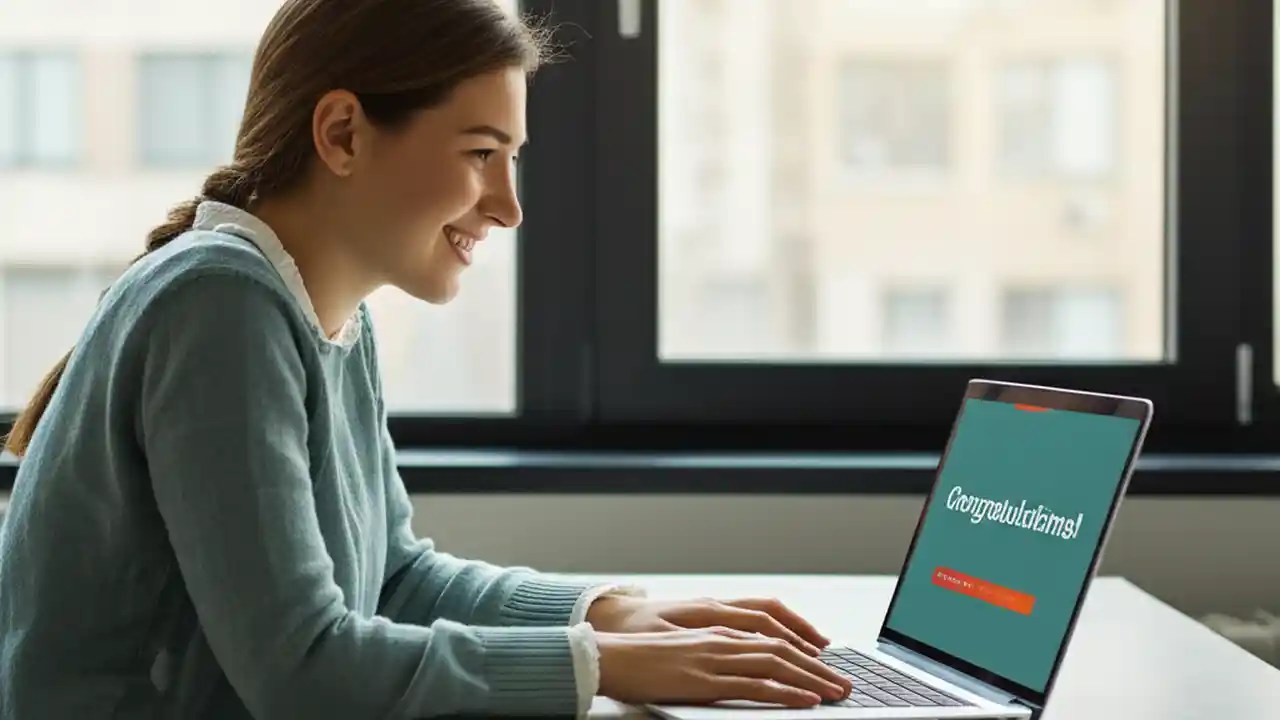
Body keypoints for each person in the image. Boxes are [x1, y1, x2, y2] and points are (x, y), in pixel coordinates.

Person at [0, 1, 854, 718]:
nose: (511, 208)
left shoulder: (323, 314)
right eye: (481, 154)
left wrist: (610, 610)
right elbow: (302, 670)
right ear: (342, 134)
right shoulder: (221, 305)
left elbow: (395, 578)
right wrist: (599, 663)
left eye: (510, 160)